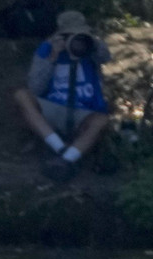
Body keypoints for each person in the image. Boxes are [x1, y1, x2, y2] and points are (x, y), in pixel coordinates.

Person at [13, 10, 112, 183]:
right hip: (53, 107)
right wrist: (53, 56)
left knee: (101, 120)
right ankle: (59, 147)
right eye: (70, 36)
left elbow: (106, 57)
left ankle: (66, 160)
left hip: (85, 111)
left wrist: (91, 43)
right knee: (22, 95)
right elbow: (35, 88)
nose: (76, 41)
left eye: (80, 35)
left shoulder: (92, 47)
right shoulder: (48, 48)